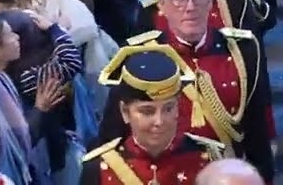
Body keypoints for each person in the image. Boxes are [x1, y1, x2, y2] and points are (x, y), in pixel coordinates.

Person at [104, 0, 274, 181]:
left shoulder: (242, 49)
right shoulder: (138, 55)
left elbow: (256, 130)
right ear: (161, 4)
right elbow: (115, 135)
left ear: (212, 0)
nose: (190, 7)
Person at [81, 45, 224, 185]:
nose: (159, 121)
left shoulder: (210, 160)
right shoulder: (99, 168)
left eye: (168, 109)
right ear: (125, 112)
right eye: (147, 111)